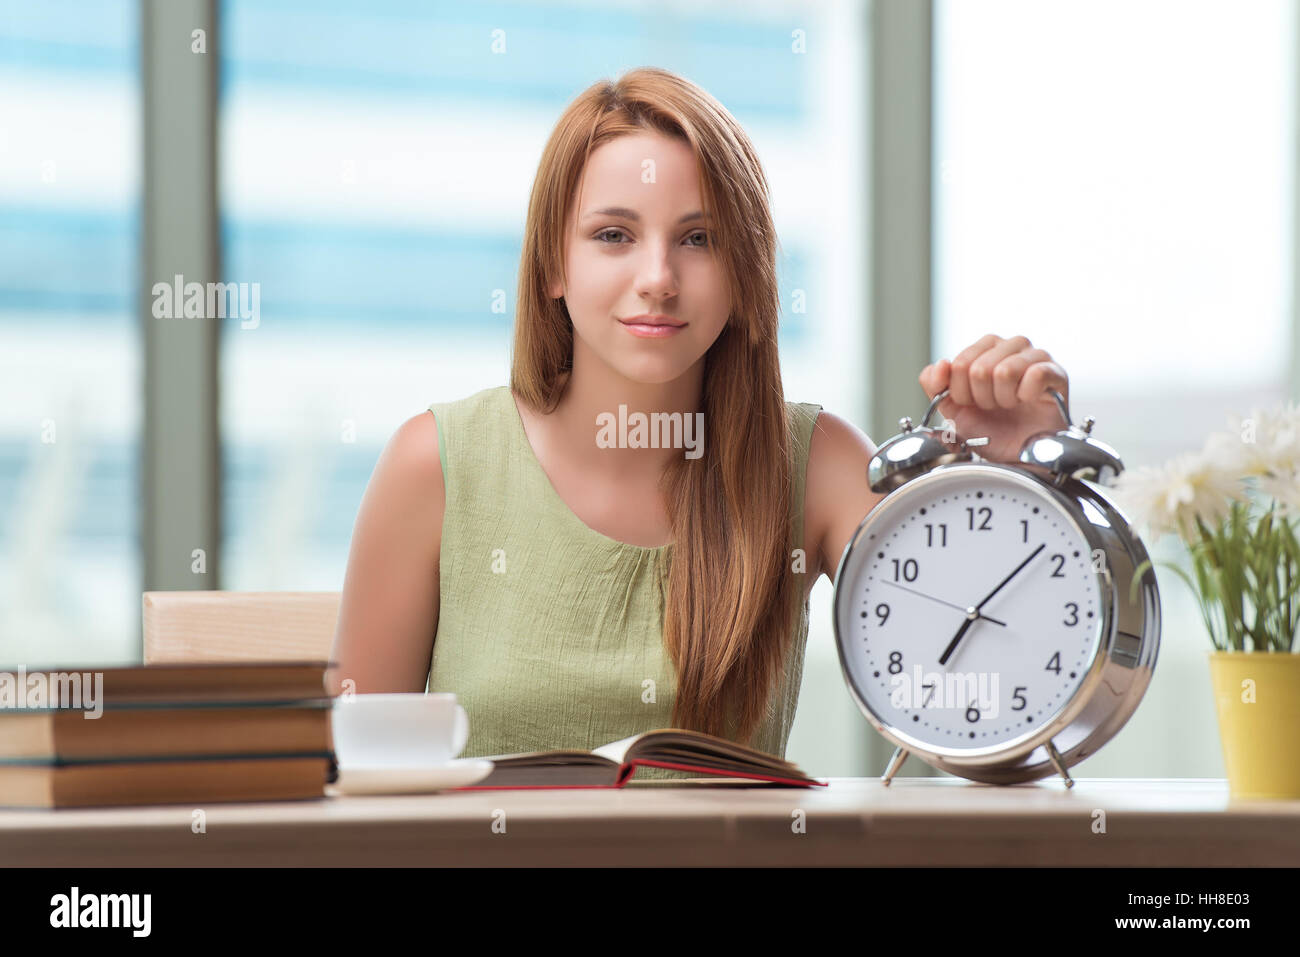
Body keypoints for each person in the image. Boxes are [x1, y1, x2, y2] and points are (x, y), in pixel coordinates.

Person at [328, 67, 1069, 766]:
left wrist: (1021, 488)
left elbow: (994, 722)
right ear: (554, 265)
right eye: (614, 235)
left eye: (699, 239)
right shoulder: (435, 465)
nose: (658, 279)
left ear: (745, 271)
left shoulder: (819, 465)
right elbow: (351, 787)